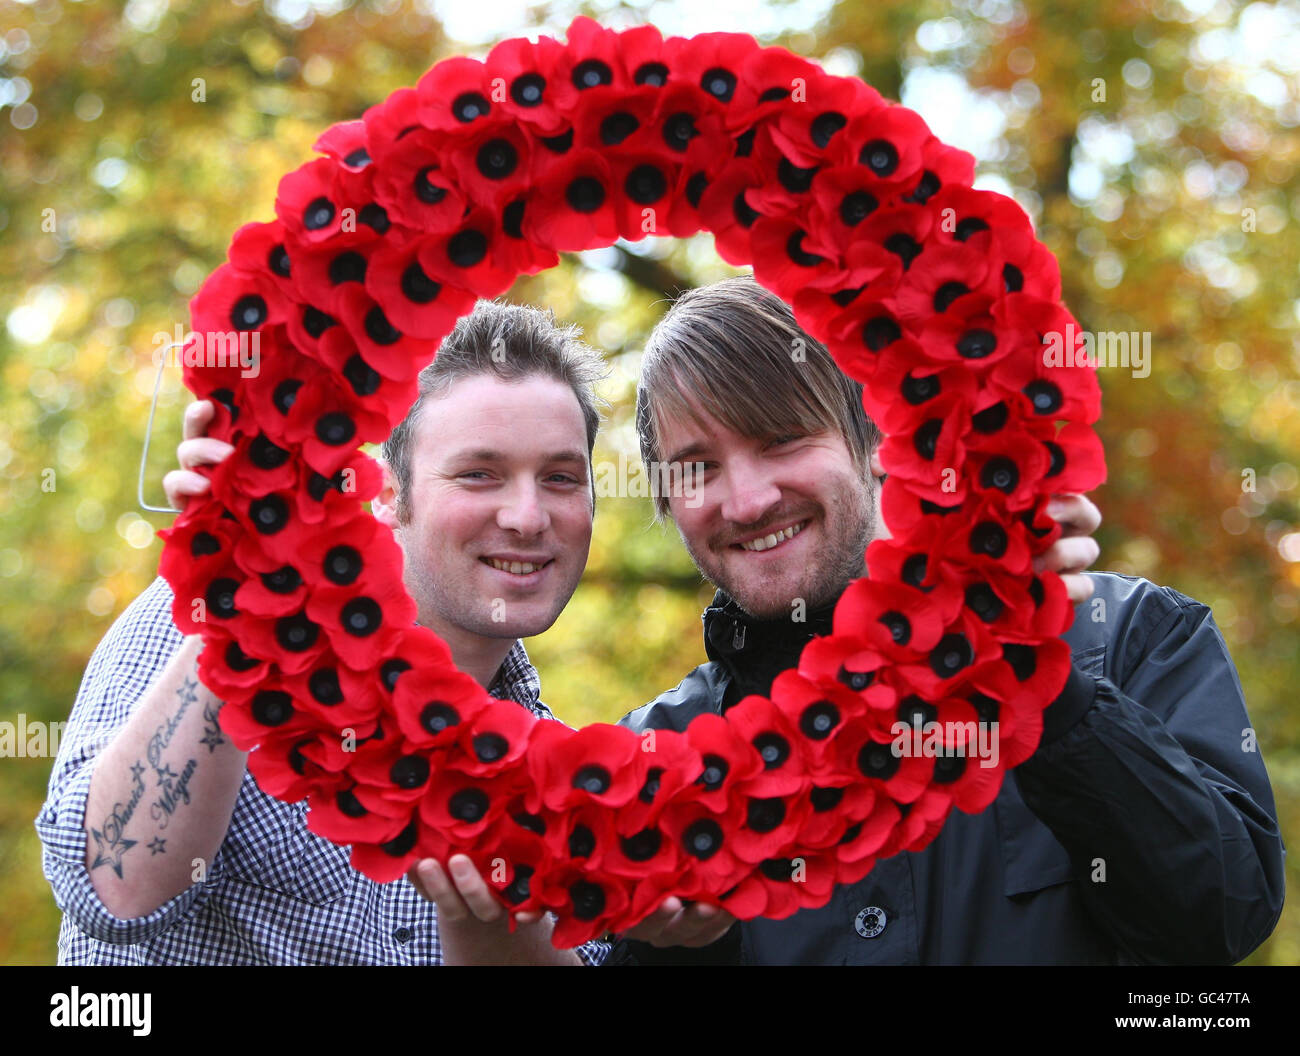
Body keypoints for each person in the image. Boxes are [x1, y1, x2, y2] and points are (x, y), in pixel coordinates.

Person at [606, 274, 1285, 964]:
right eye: (696, 469)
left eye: (781, 440)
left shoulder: (1132, 637)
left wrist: (1040, 684)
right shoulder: (653, 757)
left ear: (873, 439)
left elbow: (1223, 916)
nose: (747, 501)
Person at [36, 300, 611, 965]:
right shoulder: (207, 616)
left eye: (561, 478)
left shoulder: (568, 784)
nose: (528, 515)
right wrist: (241, 605)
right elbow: (114, 892)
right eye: (479, 473)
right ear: (388, 494)